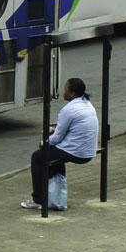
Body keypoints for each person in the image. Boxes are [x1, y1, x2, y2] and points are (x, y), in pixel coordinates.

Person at [22, 77, 99, 210]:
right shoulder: (86, 103)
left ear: (72, 93)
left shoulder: (68, 109)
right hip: (88, 150)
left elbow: (57, 137)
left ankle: (38, 199)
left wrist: (43, 143)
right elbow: (69, 127)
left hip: (77, 152)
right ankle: (54, 197)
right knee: (53, 156)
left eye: (65, 89)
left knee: (38, 156)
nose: (63, 92)